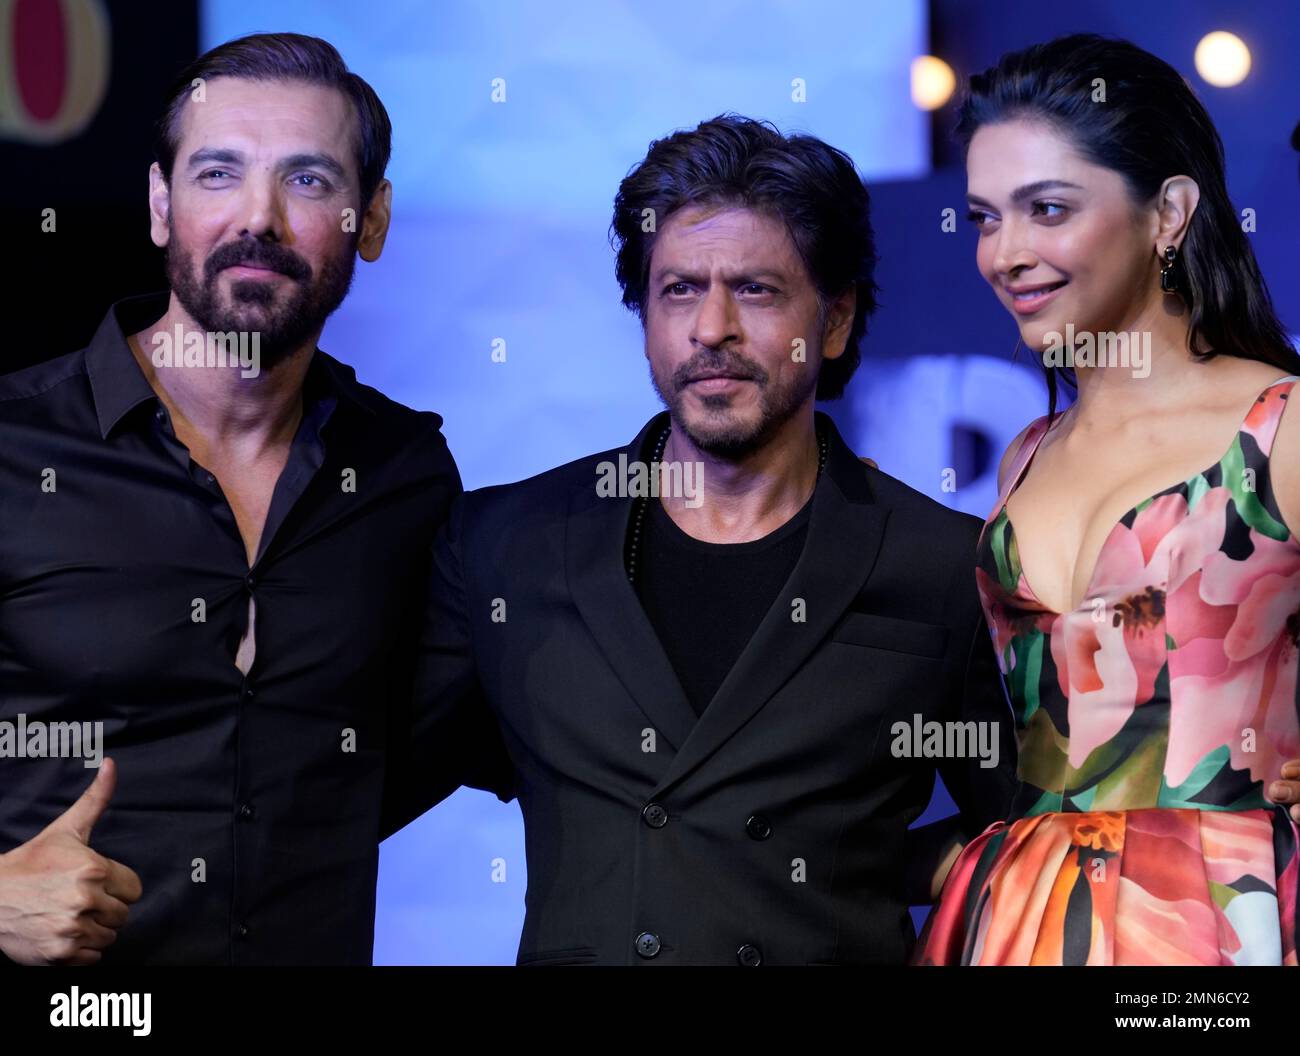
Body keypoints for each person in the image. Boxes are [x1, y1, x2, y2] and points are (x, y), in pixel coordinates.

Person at [410, 114, 1020, 966]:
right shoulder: (507, 544)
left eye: (758, 290)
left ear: (836, 322)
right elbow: (351, 786)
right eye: (680, 290)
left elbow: (1033, 835)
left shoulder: (943, 563)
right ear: (646, 316)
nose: (712, 329)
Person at [0, 33, 509, 966]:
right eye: (218, 173)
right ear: (161, 205)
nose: (258, 218)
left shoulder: (405, 475)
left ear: (374, 219)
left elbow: (467, 731)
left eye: (309, 180)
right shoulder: (13, 448)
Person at [916, 34, 1300, 965]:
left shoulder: (1282, 430)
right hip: (1016, 921)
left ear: (1168, 213)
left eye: (1046, 209)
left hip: (1222, 925)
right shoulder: (1025, 458)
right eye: (982, 219)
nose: (1006, 254)